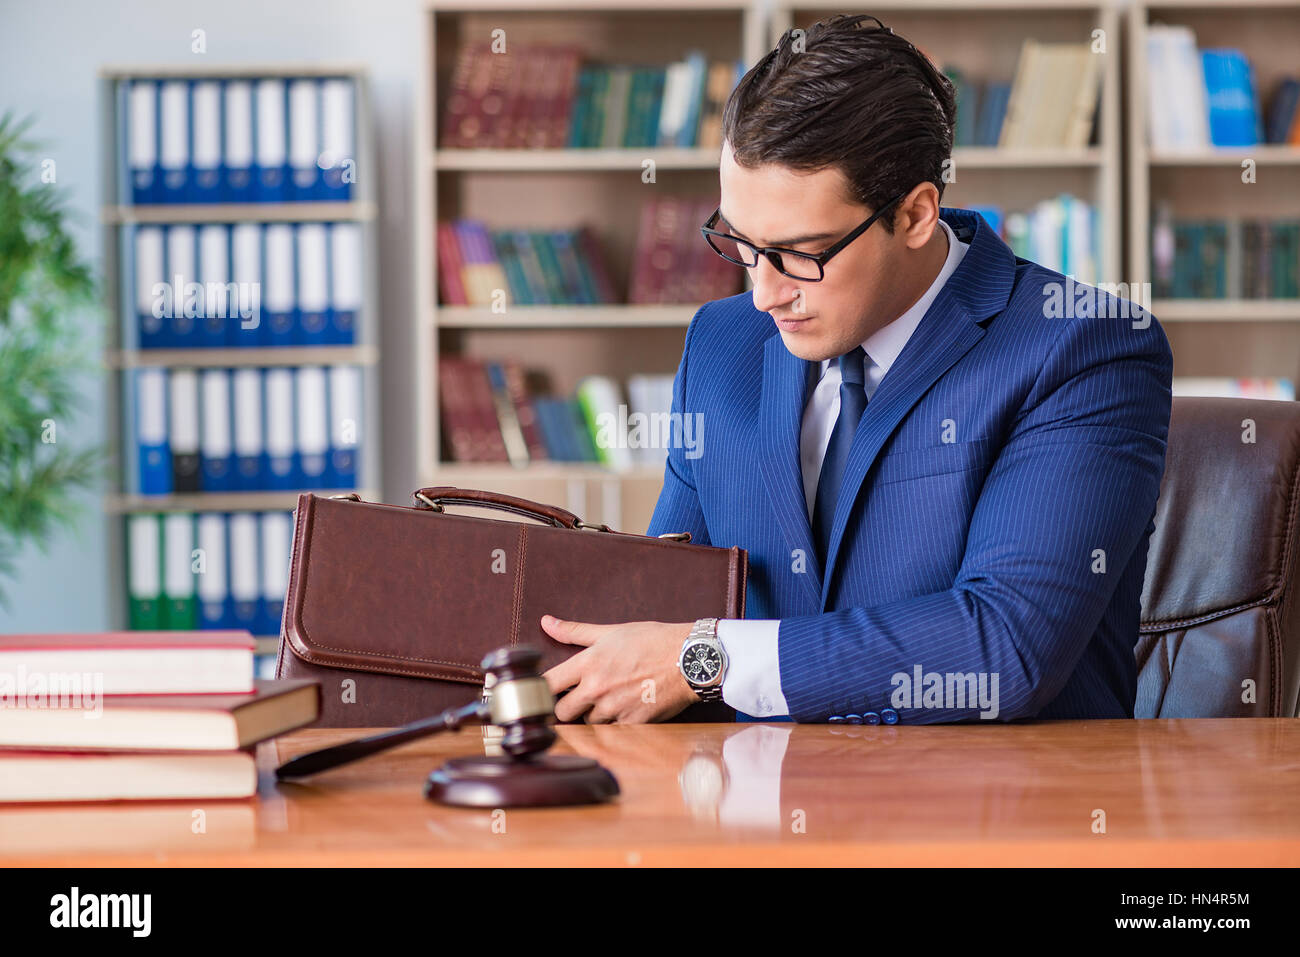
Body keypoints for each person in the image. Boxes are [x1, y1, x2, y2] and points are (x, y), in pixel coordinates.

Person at [540, 13, 1172, 724]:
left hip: (995, 815)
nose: (764, 292)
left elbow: (1004, 646)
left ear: (915, 215)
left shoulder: (1084, 350)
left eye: (801, 253)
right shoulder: (723, 343)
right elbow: (667, 608)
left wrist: (705, 658)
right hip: (750, 810)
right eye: (741, 243)